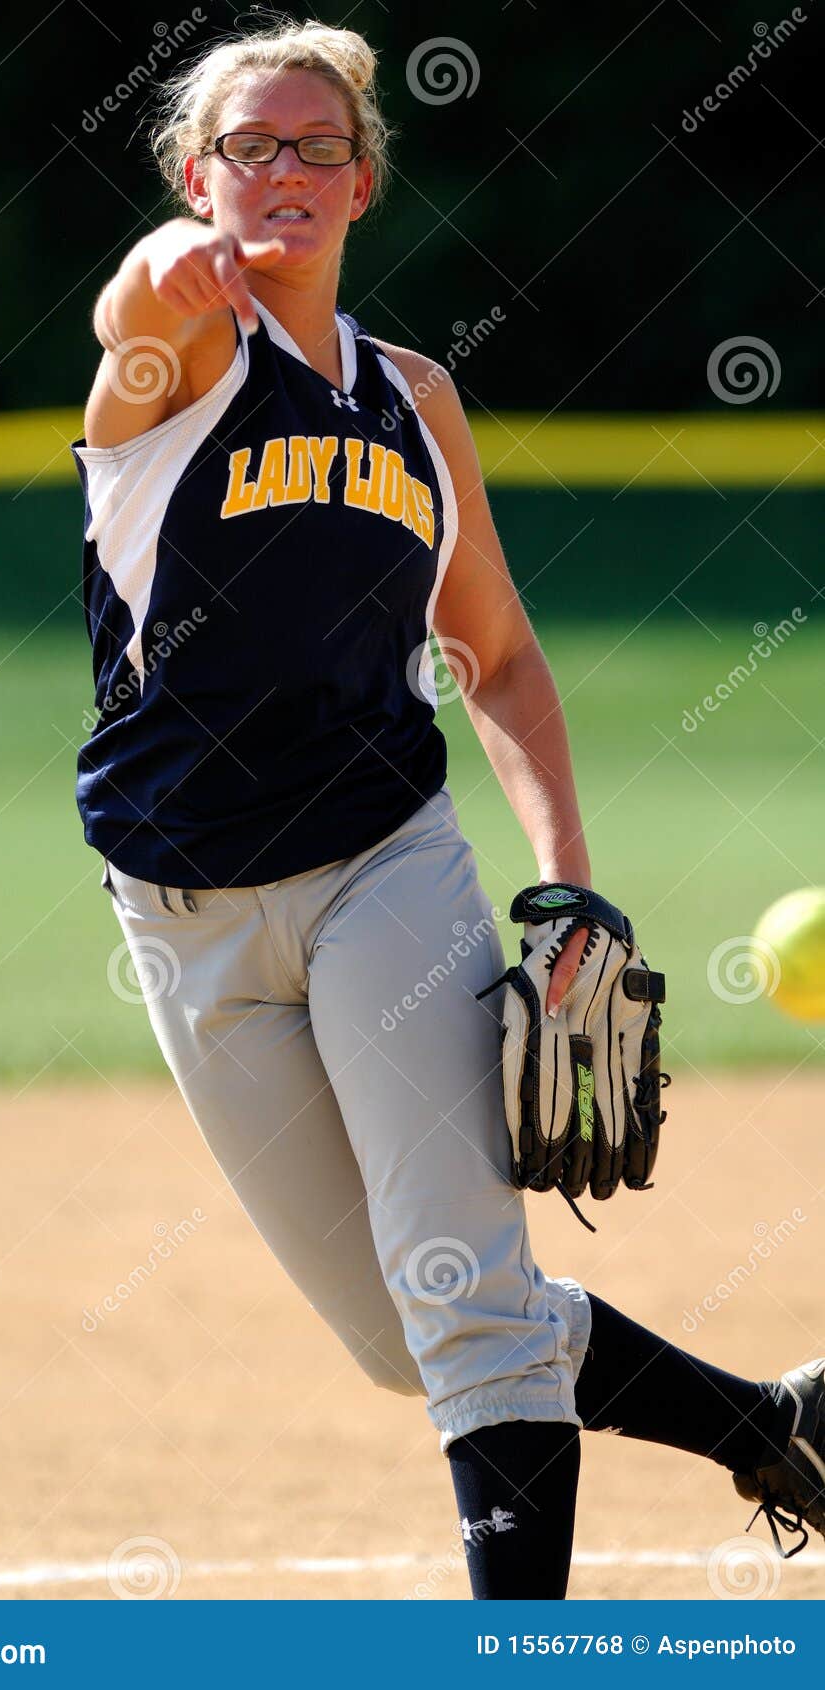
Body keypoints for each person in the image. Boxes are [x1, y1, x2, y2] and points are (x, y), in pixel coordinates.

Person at [70, 17, 824, 1598]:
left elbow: (497, 653)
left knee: (471, 1307)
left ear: (364, 183)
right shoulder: (177, 359)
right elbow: (128, 303)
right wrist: (163, 266)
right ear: (197, 175)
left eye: (318, 147)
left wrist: (569, 882)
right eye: (248, 147)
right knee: (397, 1332)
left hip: (382, 870)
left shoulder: (414, 399)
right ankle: (772, 1421)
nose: (284, 172)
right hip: (182, 909)